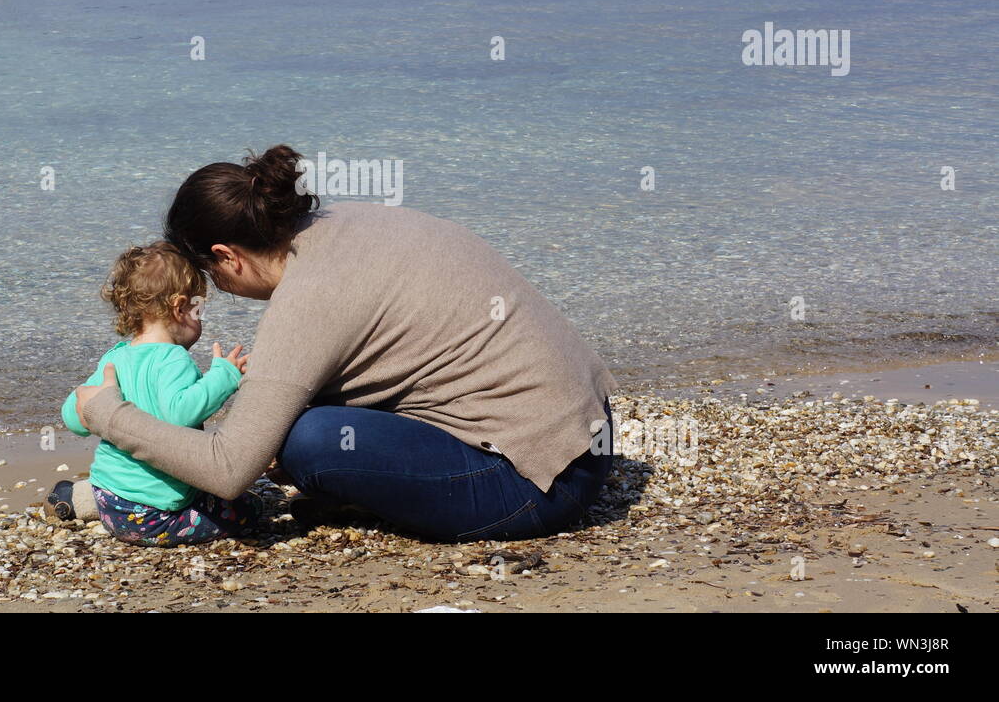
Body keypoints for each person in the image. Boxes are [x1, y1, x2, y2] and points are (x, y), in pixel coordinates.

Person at [69, 145, 616, 543]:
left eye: (213, 278)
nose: (220, 292)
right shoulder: (346, 221)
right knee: (298, 413)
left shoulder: (307, 301)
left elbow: (229, 470)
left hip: (536, 484)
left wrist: (109, 416)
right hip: (585, 430)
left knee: (309, 440)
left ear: (228, 256)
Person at [49, 241, 259, 546]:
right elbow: (181, 412)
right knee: (248, 508)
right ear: (179, 307)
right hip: (156, 516)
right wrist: (223, 377)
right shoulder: (174, 359)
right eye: (199, 308)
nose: (201, 317)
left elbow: (74, 417)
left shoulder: (115, 358)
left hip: (109, 501)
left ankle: (80, 500)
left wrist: (88, 409)